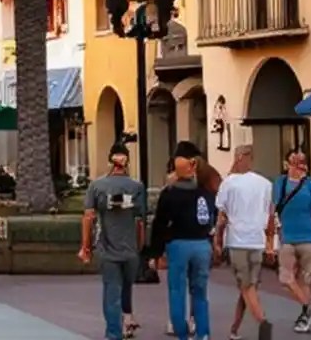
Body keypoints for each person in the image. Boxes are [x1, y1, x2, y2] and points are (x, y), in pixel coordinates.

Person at [149, 147, 217, 340]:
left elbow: (159, 224)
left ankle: (181, 334)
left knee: (177, 291)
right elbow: (212, 216)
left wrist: (155, 251)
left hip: (178, 244)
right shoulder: (206, 192)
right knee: (200, 292)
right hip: (202, 244)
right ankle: (203, 333)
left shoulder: (170, 194)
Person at [81, 143, 146, 340]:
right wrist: (139, 247)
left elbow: (88, 218)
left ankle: (113, 334)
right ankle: (127, 320)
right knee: (127, 287)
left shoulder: (96, 186)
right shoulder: (136, 187)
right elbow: (140, 221)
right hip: (130, 250)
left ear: (110, 161)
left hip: (107, 248)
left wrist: (85, 246)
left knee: (111, 292)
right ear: (127, 162)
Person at [213, 144, 274, 340]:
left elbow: (221, 216)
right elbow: (271, 216)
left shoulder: (229, 183)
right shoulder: (265, 184)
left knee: (245, 285)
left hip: (238, 240)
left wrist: (217, 240)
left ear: (238, 157)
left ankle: (262, 321)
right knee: (249, 287)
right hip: (257, 240)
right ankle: (235, 328)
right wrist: (271, 244)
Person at [273, 149, 311, 333]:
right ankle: (309, 306)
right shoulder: (280, 183)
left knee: (306, 279)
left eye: (301, 160)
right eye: (294, 160)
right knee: (286, 277)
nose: (298, 164)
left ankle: (305, 316)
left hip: (308, 238)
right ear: (287, 163)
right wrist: (269, 237)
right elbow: (272, 209)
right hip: (288, 237)